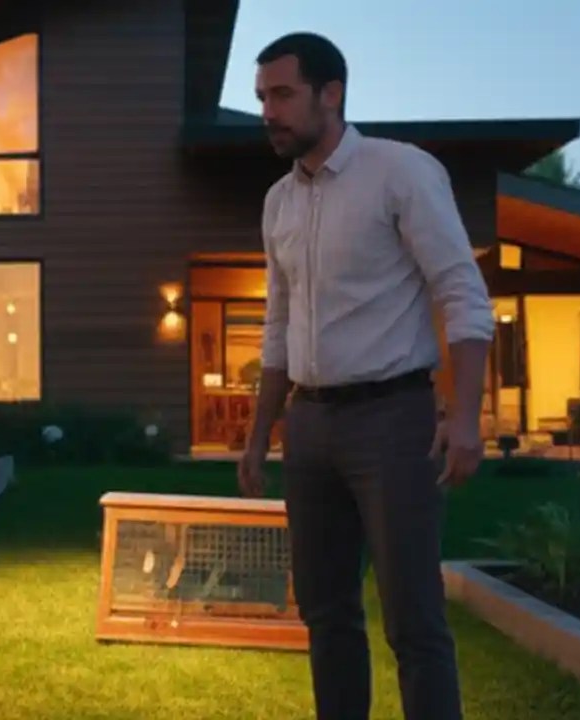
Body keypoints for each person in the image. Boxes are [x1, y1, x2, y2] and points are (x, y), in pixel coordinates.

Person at [236, 32, 494, 720]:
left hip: (392, 419)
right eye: (262, 97)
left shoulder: (400, 172)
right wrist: (261, 435)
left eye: (283, 94)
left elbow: (462, 294)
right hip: (311, 427)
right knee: (326, 614)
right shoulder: (278, 204)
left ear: (332, 93)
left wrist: (466, 417)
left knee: (413, 618)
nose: (268, 111)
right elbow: (278, 329)